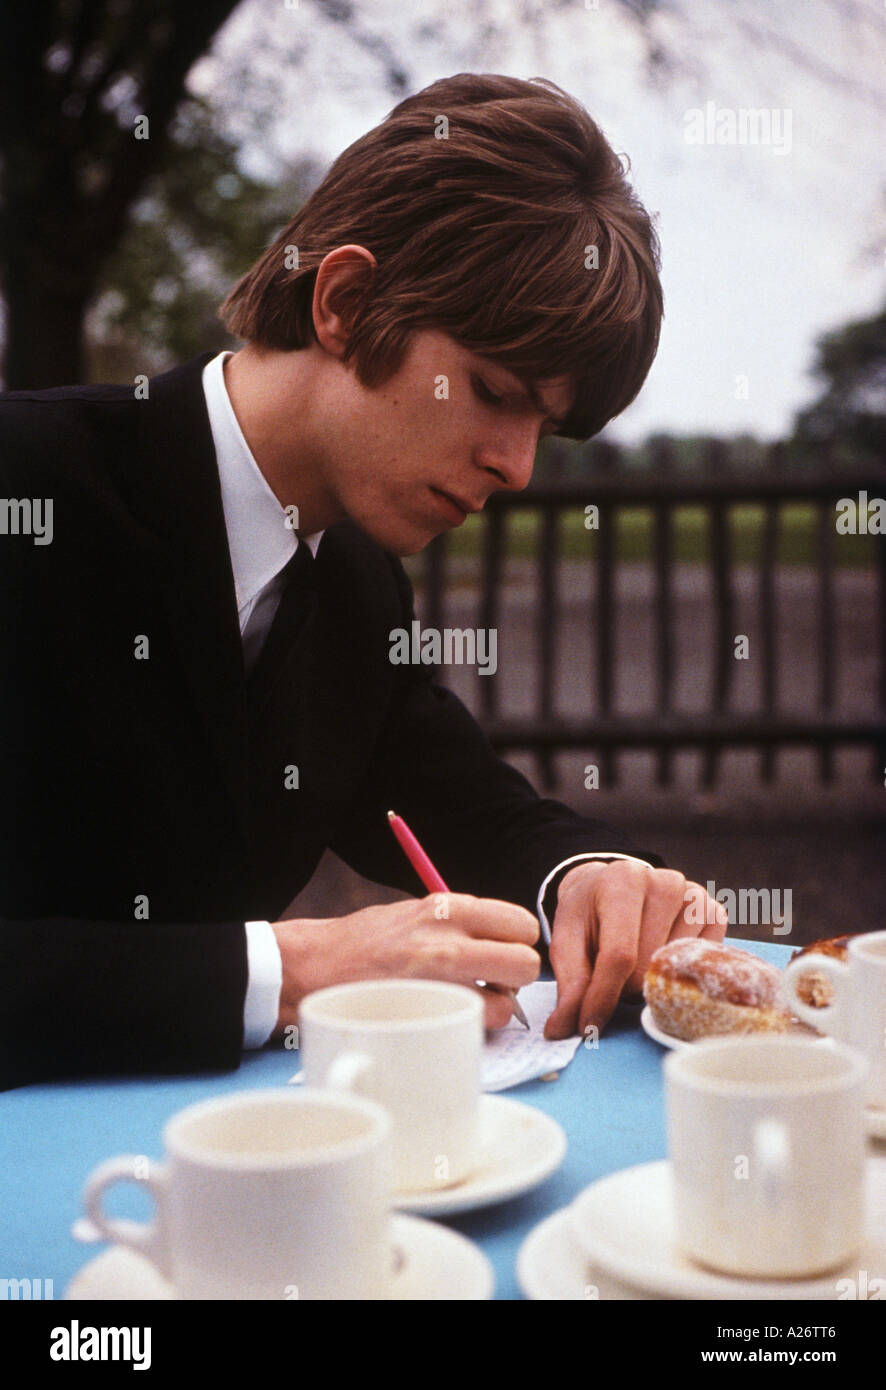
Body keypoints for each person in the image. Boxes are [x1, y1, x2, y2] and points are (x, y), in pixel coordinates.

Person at [0, 72, 725, 1089]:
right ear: (345, 301)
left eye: (544, 430)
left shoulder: (355, 580)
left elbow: (466, 808)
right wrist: (291, 970)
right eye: (492, 393)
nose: (516, 467)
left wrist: (590, 879)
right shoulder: (25, 488)